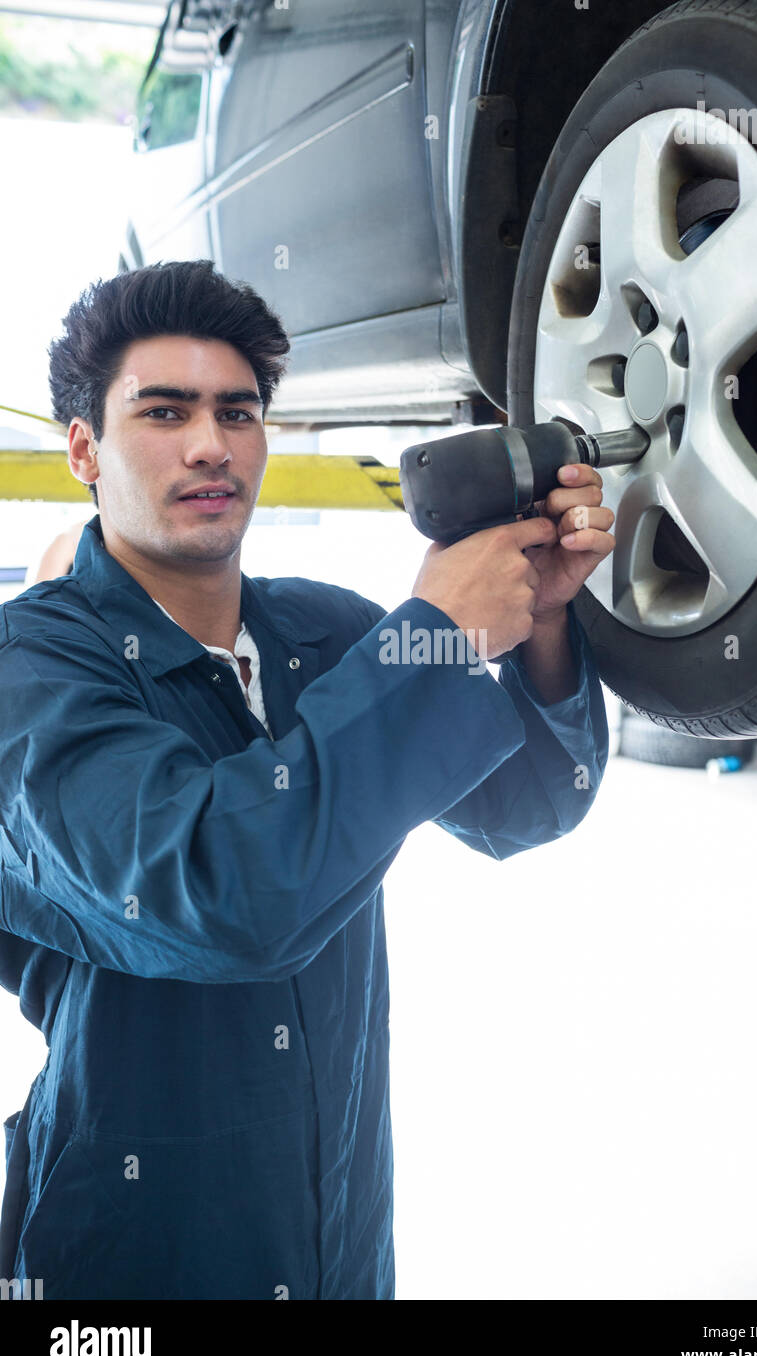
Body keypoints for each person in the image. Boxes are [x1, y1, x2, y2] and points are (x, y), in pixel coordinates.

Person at [0, 259, 613, 1300]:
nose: (209, 444)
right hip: (130, 1252)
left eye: (237, 412)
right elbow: (227, 891)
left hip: (338, 1222)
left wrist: (537, 621)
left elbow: (526, 806)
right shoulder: (33, 670)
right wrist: (434, 633)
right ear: (82, 449)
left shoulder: (323, 629)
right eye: (164, 410)